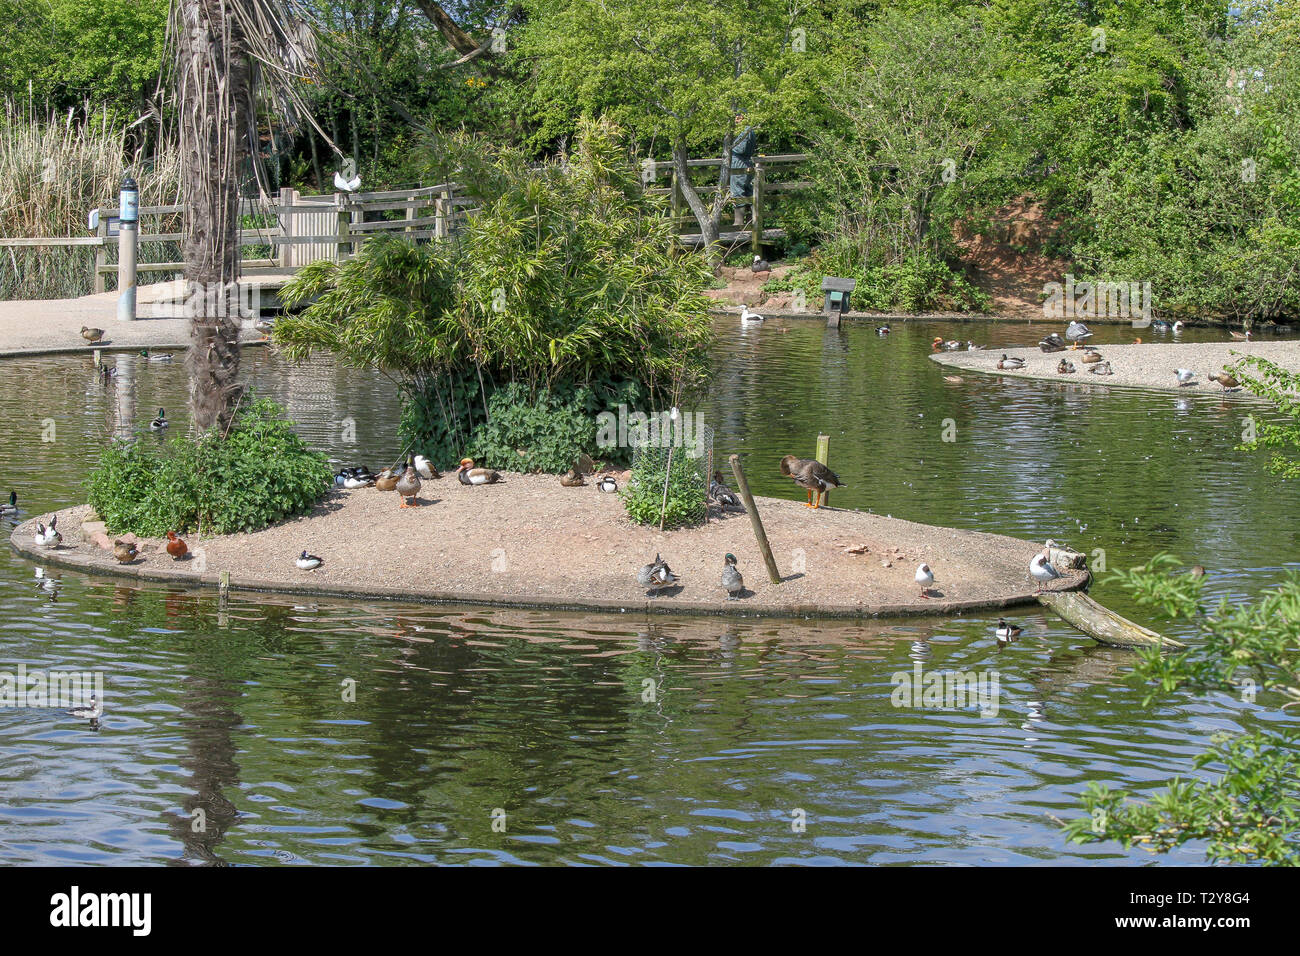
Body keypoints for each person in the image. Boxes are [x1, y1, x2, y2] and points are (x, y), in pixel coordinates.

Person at [729, 115, 756, 226]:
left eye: (738, 117)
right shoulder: (749, 129)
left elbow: (741, 148)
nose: (736, 120)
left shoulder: (745, 130)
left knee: (738, 191)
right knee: (748, 191)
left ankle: (738, 223)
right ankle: (751, 222)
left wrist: (730, 146)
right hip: (745, 163)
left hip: (739, 163)